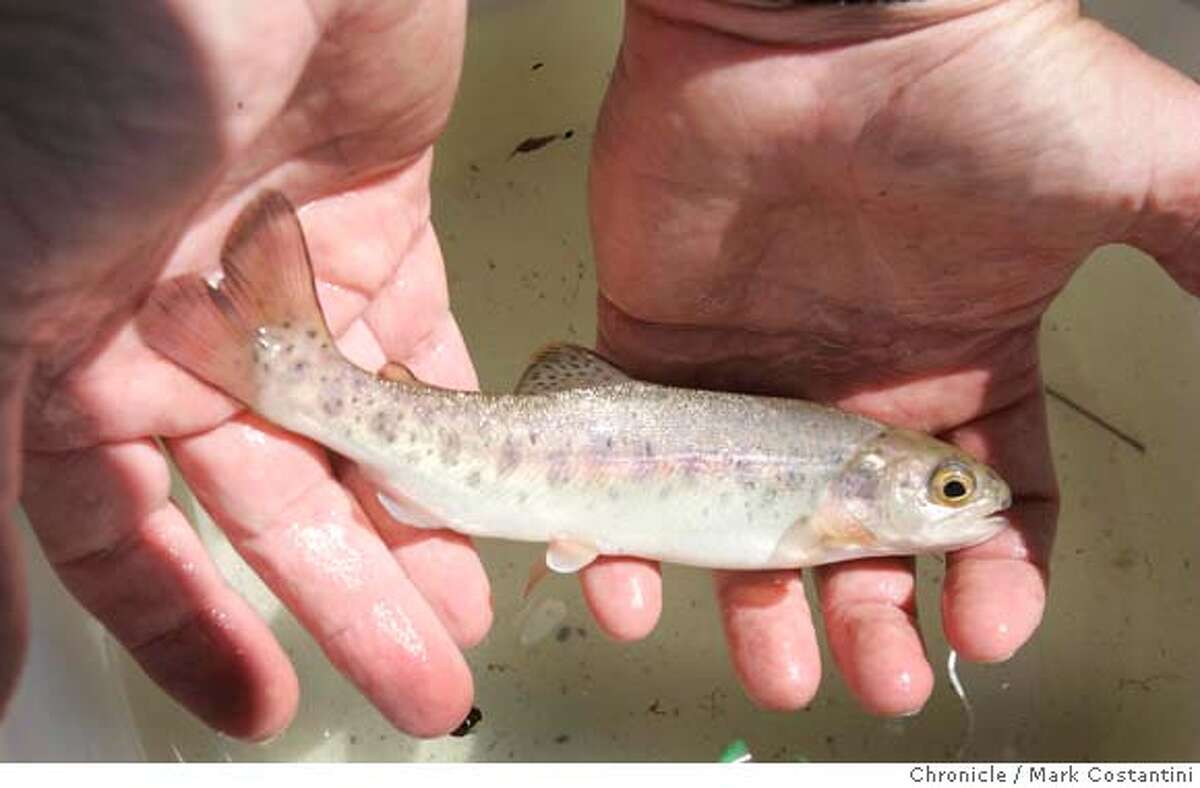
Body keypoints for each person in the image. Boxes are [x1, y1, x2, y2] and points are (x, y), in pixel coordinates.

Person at [1, 0, 1196, 741]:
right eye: (945, 489)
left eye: (952, 494)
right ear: (878, 477)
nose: (965, 503)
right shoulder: (834, 490)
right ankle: (288, 372)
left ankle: (293, 375)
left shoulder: (838, 487)